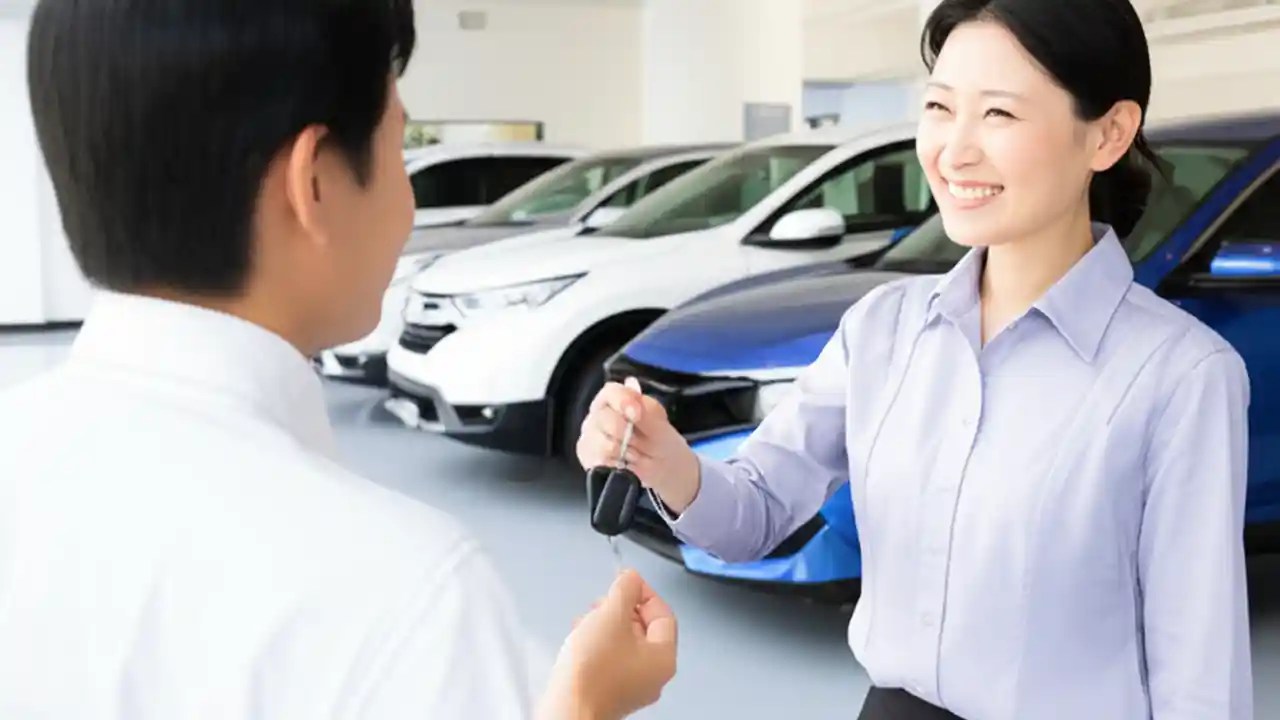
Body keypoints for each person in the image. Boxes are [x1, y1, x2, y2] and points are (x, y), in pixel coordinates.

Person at [0, 1, 676, 718]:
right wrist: (583, 705)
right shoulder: (404, 594)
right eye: (399, 146)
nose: (409, 200)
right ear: (314, 182)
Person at [579, 0, 1253, 718]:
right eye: (939, 107)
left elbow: (1201, 676)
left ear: (1108, 134)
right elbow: (755, 517)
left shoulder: (1181, 375)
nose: (954, 150)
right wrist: (663, 460)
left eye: (999, 114)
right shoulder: (883, 329)